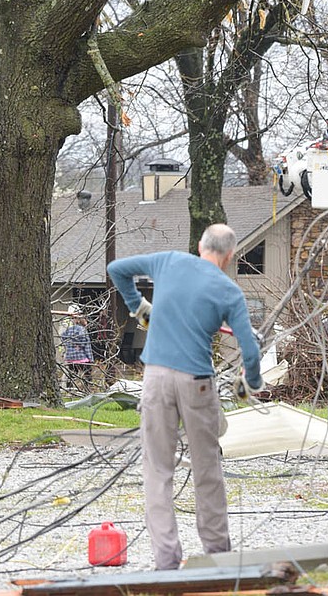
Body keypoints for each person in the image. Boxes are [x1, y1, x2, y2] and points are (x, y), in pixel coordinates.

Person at [107, 225, 263, 571]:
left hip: (156, 377)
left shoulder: (168, 261)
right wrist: (250, 381)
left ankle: (166, 561)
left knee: (158, 469)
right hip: (197, 382)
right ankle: (217, 554)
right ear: (230, 256)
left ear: (199, 246)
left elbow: (116, 270)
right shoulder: (228, 291)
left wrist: (139, 307)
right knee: (207, 468)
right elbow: (250, 350)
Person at [59, 305, 94, 388]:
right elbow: (86, 345)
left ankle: (70, 389)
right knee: (87, 373)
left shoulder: (66, 326)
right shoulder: (82, 330)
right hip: (81, 357)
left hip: (70, 357)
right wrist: (90, 358)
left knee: (71, 374)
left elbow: (63, 337)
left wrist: (69, 346)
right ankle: (87, 388)